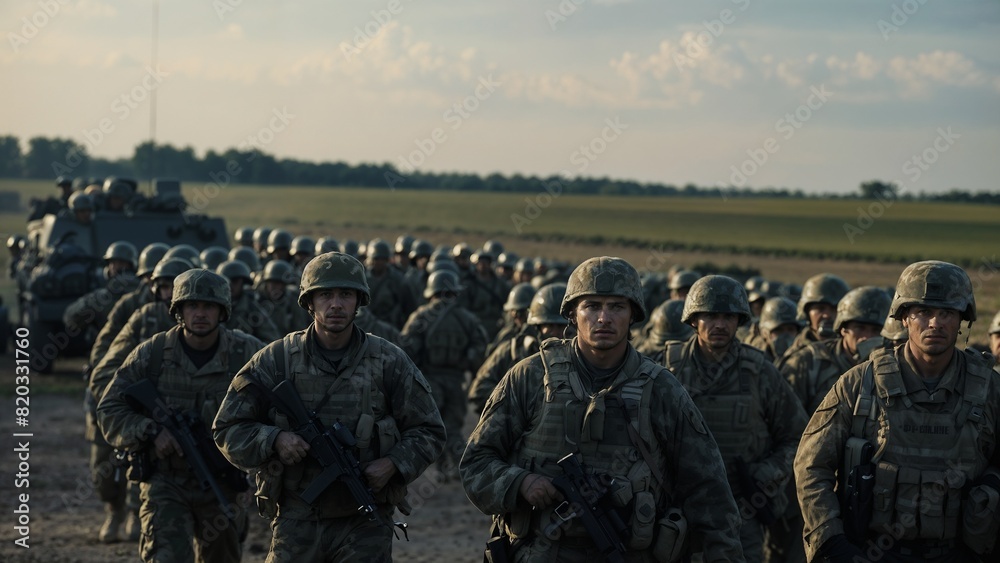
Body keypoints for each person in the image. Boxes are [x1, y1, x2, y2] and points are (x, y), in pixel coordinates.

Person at [462, 256, 745, 561]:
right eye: (592, 306)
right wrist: (520, 482)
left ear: (633, 315)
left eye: (616, 307)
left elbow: (710, 492)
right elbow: (475, 463)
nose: (604, 318)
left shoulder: (662, 389)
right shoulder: (530, 377)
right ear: (573, 314)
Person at [212, 251, 445, 562]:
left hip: (365, 521)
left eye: (346, 294)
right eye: (325, 295)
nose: (336, 304)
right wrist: (274, 439)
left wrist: (393, 463)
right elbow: (227, 427)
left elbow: (429, 430)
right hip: (296, 517)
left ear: (359, 301)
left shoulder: (389, 361)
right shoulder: (275, 360)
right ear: (310, 302)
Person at [794, 260, 1000, 562]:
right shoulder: (860, 383)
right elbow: (810, 466)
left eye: (947, 313)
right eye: (924, 312)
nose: (935, 323)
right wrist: (831, 540)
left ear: (961, 320)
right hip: (871, 550)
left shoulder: (990, 390)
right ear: (904, 317)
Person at [96, 270, 263, 562]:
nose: (200, 313)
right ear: (178, 310)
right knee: (166, 556)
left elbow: (277, 409)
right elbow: (110, 409)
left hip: (223, 482)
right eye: (192, 306)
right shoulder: (153, 353)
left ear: (222, 311)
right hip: (166, 482)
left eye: (209, 306)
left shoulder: (245, 352)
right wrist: (149, 430)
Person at [662, 275, 807, 562]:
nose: (719, 324)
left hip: (740, 513)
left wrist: (767, 473)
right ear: (694, 319)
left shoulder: (760, 372)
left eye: (728, 316)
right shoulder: (667, 368)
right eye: (711, 316)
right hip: (677, 510)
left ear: (740, 321)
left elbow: (799, 436)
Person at [400, 269, 488, 479]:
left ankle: (441, 469)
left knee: (434, 426)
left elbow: (407, 348)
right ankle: (461, 467)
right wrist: (468, 362)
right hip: (456, 378)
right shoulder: (466, 318)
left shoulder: (421, 316)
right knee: (454, 425)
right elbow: (480, 344)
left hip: (430, 379)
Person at [467, 282, 568, 415]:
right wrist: (517, 404)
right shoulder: (514, 348)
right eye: (549, 325)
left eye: (563, 326)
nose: (557, 333)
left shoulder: (588, 357)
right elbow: (478, 390)